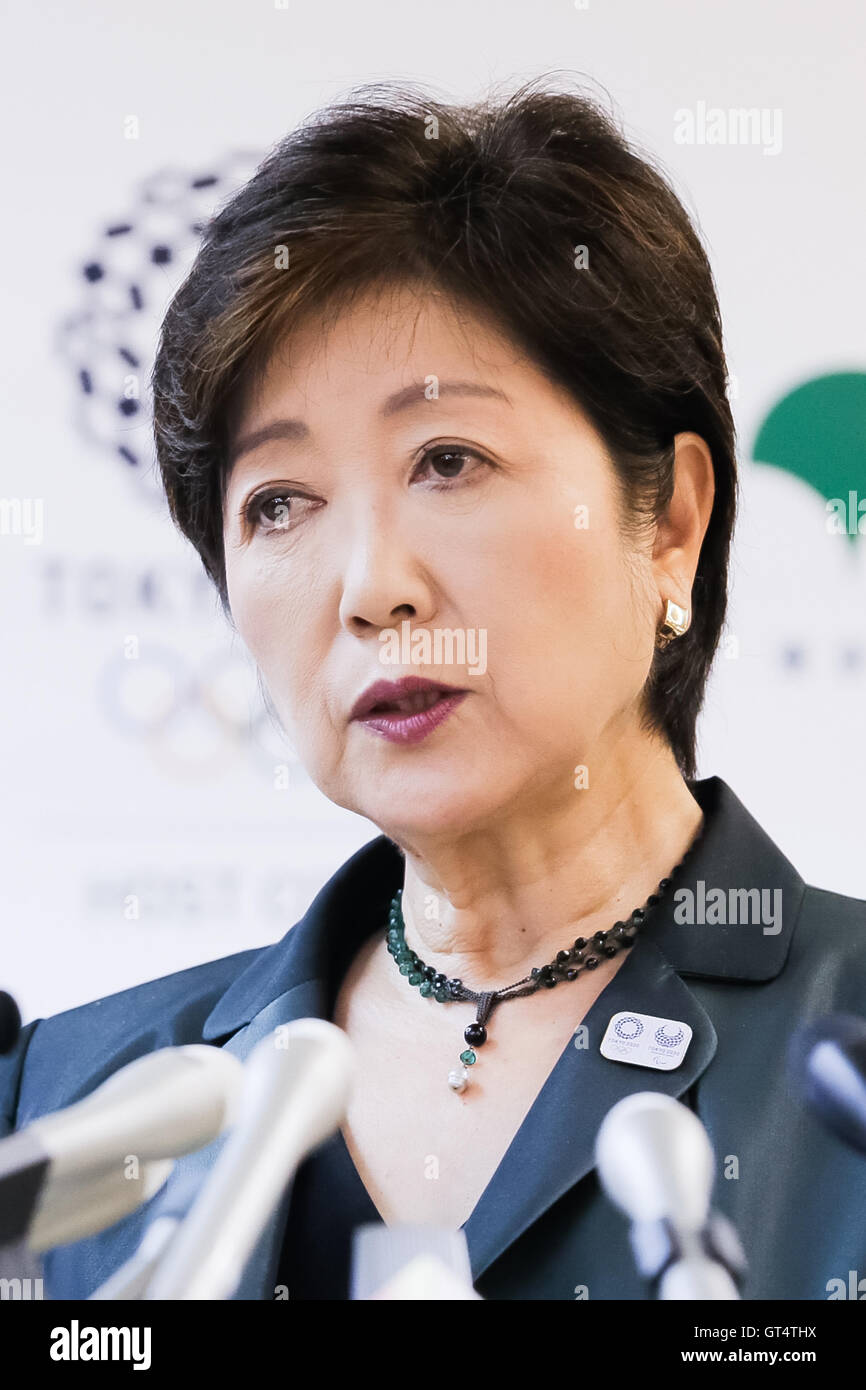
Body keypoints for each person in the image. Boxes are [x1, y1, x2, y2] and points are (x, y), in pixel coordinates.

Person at [3, 77, 865, 1301]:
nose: (370, 587)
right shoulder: (67, 1105)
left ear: (668, 522)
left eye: (446, 460)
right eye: (279, 502)